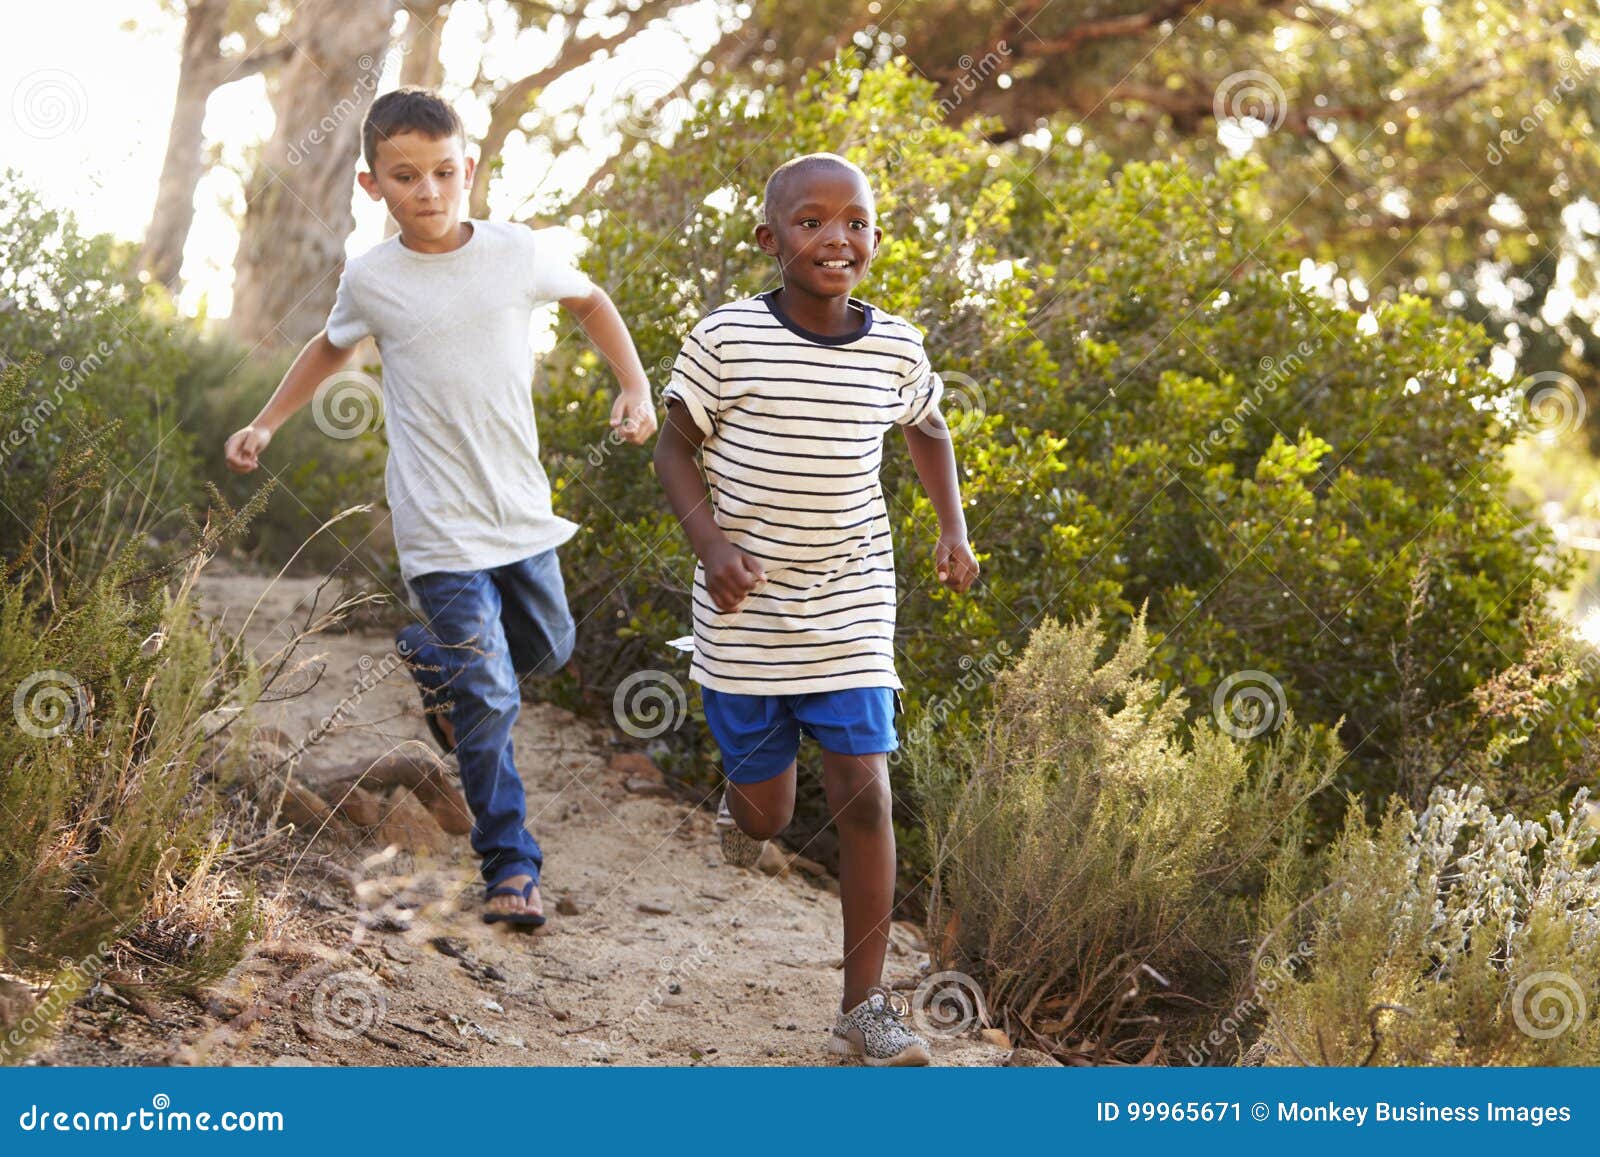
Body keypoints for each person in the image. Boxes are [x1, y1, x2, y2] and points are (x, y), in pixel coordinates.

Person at [224, 88, 656, 927]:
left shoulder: (513, 251)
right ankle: (511, 867)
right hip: (439, 526)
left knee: (551, 647)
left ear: (472, 169)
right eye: (406, 176)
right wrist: (267, 421)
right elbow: (330, 344)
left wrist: (634, 386)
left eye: (445, 172)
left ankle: (432, 664)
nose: (428, 190)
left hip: (521, 514)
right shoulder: (372, 277)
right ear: (371, 184)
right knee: (491, 696)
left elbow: (591, 302)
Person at [653, 152, 980, 1064]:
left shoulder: (896, 346)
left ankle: (863, 1006)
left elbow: (927, 427)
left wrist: (952, 528)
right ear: (770, 239)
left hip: (851, 601)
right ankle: (741, 807)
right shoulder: (726, 339)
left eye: (857, 221)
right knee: (769, 815)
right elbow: (674, 452)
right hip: (744, 607)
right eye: (811, 221)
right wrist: (712, 547)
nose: (838, 237)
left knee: (864, 796)